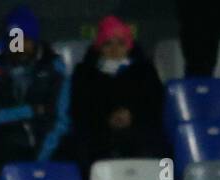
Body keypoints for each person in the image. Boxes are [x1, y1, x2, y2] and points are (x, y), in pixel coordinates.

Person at [0, 5, 70, 169]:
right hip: (5, 149)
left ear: (34, 40)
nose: (18, 44)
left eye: (24, 38)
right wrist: (28, 111)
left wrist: (40, 158)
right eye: (14, 38)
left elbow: (61, 120)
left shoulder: (54, 70)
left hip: (48, 149)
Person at [69, 16, 165, 166]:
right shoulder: (84, 73)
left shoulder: (145, 70)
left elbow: (155, 103)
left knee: (159, 148)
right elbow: (80, 108)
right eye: (108, 43)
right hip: (98, 132)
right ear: (99, 47)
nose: (115, 50)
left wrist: (132, 115)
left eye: (121, 43)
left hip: (139, 129)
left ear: (128, 46)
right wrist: (106, 119)